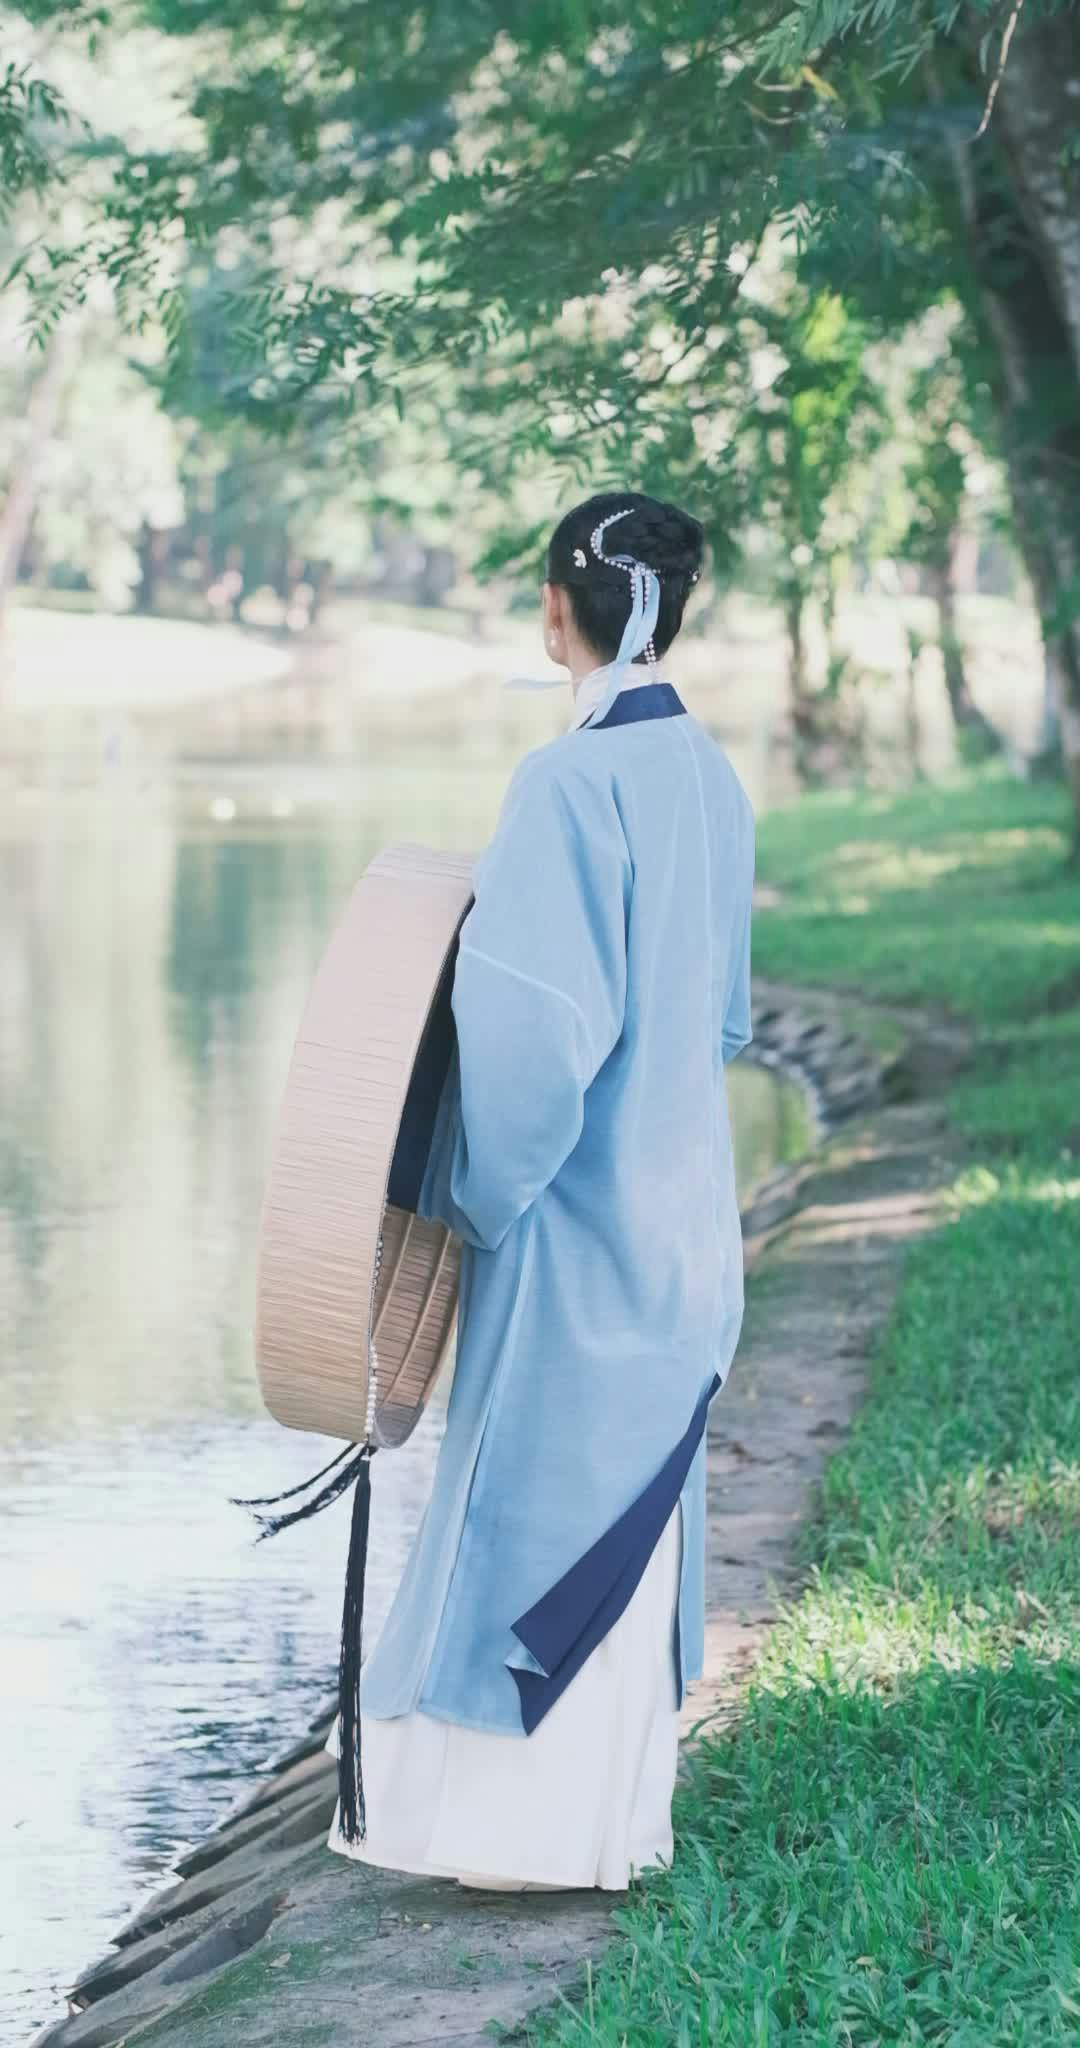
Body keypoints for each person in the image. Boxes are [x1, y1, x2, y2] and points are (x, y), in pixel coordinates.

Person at [326, 490, 755, 1891]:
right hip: (685, 1231)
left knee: (536, 1516)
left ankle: (517, 1844)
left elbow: (529, 1051)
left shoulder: (563, 786)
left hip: (575, 1239)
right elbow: (726, 1022)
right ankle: (609, 1827)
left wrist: (470, 1197)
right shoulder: (712, 778)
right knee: (622, 1537)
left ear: (556, 610)